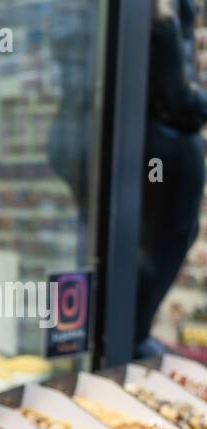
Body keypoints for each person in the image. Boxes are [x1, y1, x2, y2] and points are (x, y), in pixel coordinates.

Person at [137, 0, 207, 356]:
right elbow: (179, 98)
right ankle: (133, 332)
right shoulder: (158, 18)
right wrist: (199, 106)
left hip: (161, 141)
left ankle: (136, 330)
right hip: (164, 142)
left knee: (167, 239)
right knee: (164, 242)